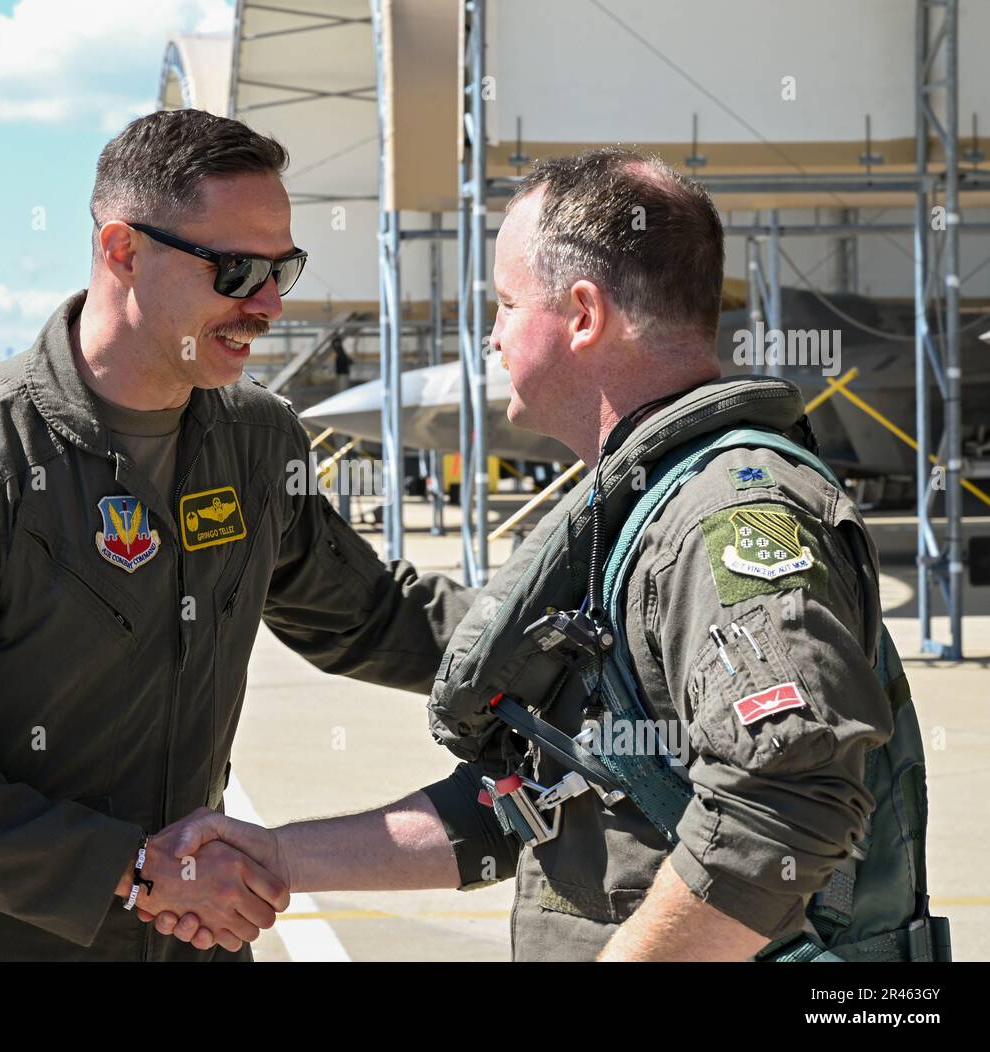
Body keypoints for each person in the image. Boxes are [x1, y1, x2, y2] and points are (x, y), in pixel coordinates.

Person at [149, 148, 948, 962]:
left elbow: (786, 803)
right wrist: (279, 857)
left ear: (583, 314)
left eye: (503, 304)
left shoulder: (726, 515)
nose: (492, 337)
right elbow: (535, 799)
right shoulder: (635, 518)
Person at [0, 109, 474, 962]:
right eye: (237, 271)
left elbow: (368, 615)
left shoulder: (255, 439)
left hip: (198, 933)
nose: (269, 304)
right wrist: (128, 872)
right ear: (123, 250)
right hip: (10, 940)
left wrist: (566, 649)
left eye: (283, 269)